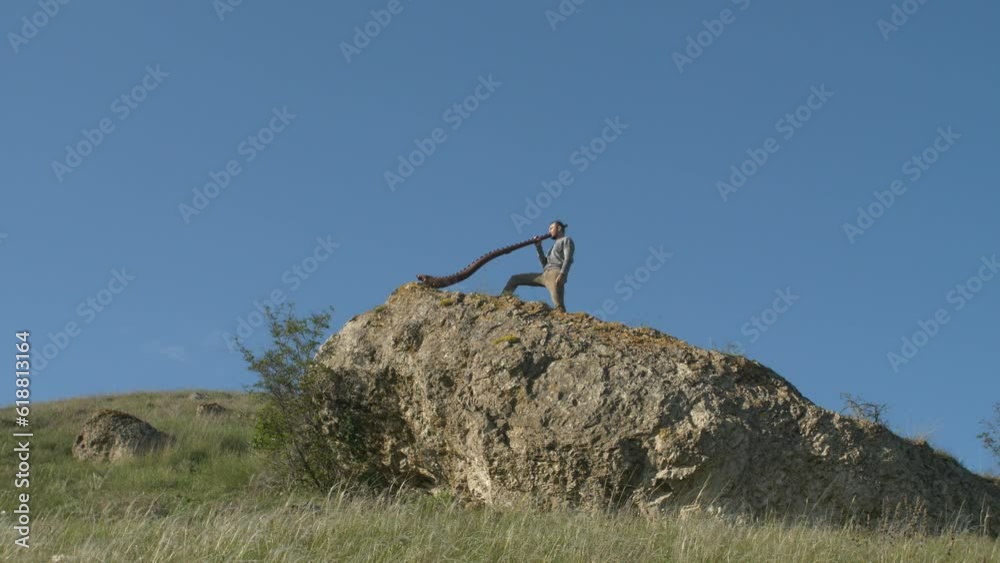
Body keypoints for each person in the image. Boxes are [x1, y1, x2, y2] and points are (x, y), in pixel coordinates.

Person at [501, 220, 575, 312]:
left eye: (551, 228)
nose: (549, 231)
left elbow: (568, 259)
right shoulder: (552, 247)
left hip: (555, 274)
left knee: (559, 306)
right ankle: (501, 301)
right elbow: (544, 264)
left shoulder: (566, 240)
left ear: (559, 228)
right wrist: (538, 247)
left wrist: (562, 273)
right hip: (545, 274)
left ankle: (564, 322)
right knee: (514, 279)